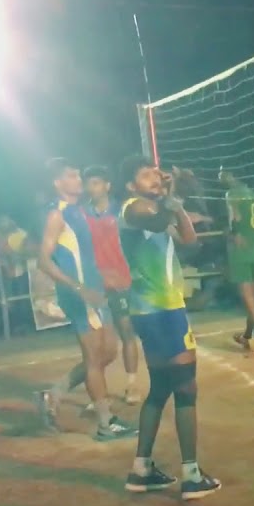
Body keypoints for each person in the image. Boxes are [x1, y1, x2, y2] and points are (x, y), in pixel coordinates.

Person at [119, 156, 221, 500]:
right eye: (145, 175)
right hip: (161, 311)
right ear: (131, 186)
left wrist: (176, 201)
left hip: (156, 311)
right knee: (186, 387)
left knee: (161, 387)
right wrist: (170, 199)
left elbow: (190, 242)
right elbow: (159, 220)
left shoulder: (157, 209)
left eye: (155, 173)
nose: (154, 178)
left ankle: (141, 469)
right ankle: (191, 474)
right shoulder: (133, 208)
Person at [34, 158, 137, 441]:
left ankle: (54, 393)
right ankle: (106, 423)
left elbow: (85, 254)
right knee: (94, 358)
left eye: (78, 175)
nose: (78, 179)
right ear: (58, 183)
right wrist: (79, 288)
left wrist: (104, 275)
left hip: (95, 290)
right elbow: (44, 261)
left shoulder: (78, 211)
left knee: (109, 352)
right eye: (72, 175)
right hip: (80, 295)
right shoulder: (57, 215)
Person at [81, 166, 142, 403]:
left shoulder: (122, 210)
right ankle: (98, 391)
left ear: (107, 185)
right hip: (95, 283)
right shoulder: (82, 214)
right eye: (89, 183)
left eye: (96, 183)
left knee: (126, 330)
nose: (91, 188)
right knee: (97, 343)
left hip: (121, 280)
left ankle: (132, 384)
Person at [220, 168, 254, 356]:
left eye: (222, 172)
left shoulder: (232, 194)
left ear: (231, 174)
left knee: (249, 298)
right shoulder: (250, 192)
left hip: (241, 250)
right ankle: (247, 335)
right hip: (253, 247)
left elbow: (234, 219)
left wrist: (230, 233)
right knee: (252, 297)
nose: (219, 175)